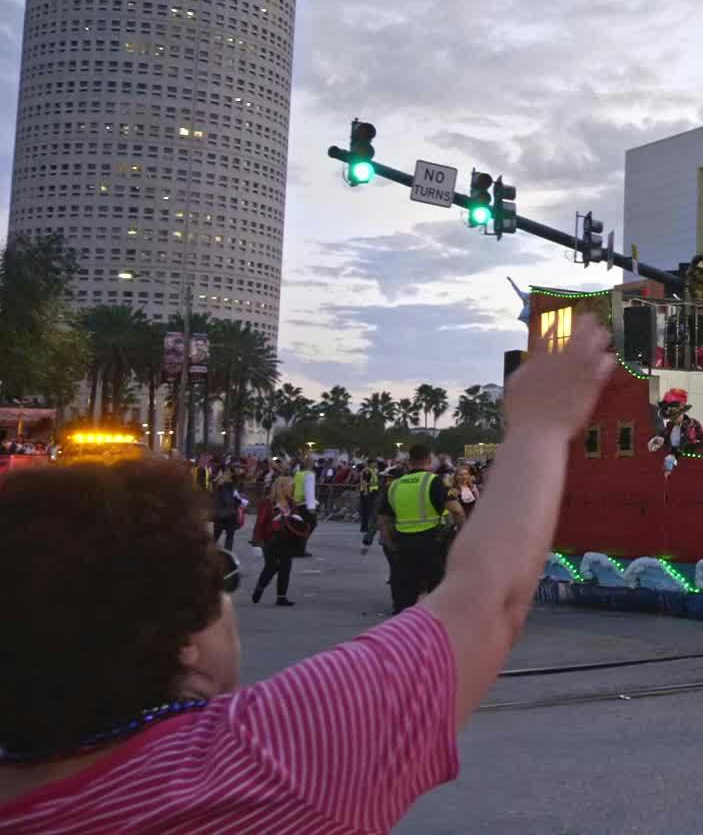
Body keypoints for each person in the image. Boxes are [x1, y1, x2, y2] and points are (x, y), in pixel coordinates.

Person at [0, 313, 615, 830]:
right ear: (182, 643)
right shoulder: (257, 767)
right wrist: (541, 424)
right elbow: (488, 602)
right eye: (220, 577)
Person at [379, 443, 467, 614]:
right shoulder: (433, 482)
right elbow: (457, 511)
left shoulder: (394, 485)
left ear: (409, 462)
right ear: (428, 461)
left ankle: (403, 630)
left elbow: (383, 521)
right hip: (431, 544)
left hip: (403, 545)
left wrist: (390, 544)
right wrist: (460, 535)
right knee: (437, 596)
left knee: (404, 596)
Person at [251, 476, 303, 607]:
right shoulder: (267, 503)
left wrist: (296, 519)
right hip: (270, 539)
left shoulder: (291, 503)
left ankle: (281, 597)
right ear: (282, 487)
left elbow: (297, 520)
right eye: (290, 486)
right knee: (272, 566)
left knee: (286, 567)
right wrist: (257, 543)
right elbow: (260, 523)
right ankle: (260, 587)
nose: (292, 488)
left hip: (287, 539)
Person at [209, 471, 244, 552]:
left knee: (216, 537)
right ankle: (227, 555)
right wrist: (238, 501)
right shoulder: (228, 487)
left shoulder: (219, 487)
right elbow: (228, 501)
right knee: (229, 538)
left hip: (219, 515)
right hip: (228, 516)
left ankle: (209, 552)